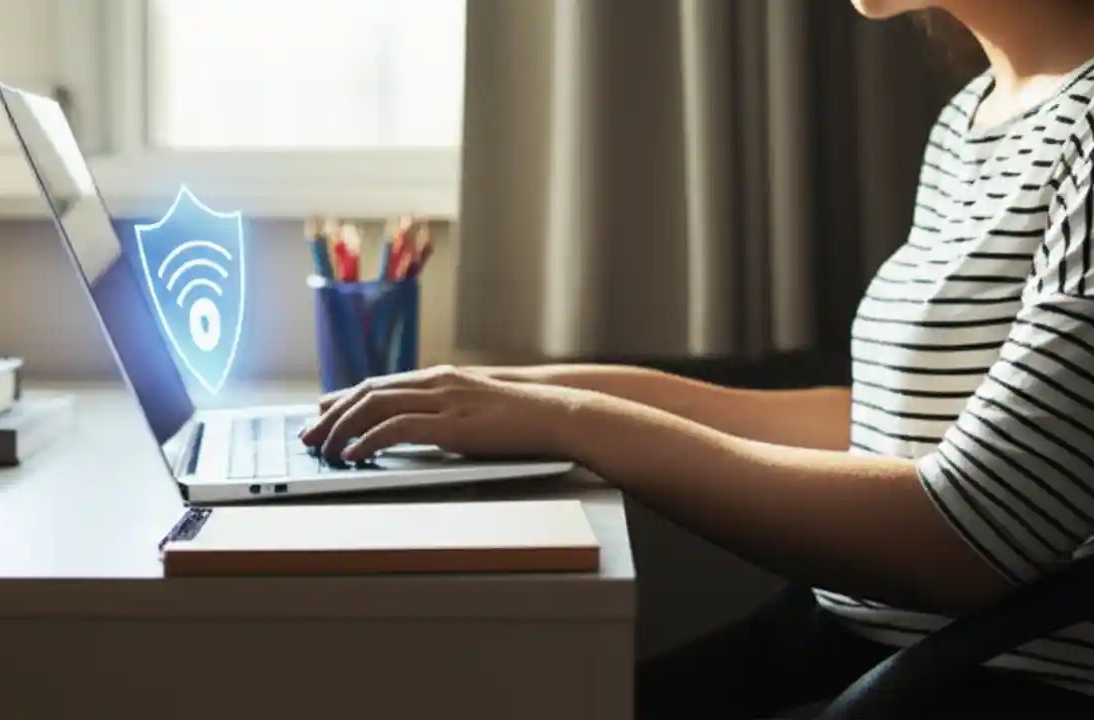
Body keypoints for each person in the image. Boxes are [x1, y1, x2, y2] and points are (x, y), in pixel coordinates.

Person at [299, 1, 1094, 716]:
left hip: (990, 680)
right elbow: (885, 425)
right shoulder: (974, 118)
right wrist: (519, 394)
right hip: (857, 636)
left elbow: (968, 542)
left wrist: (575, 423)